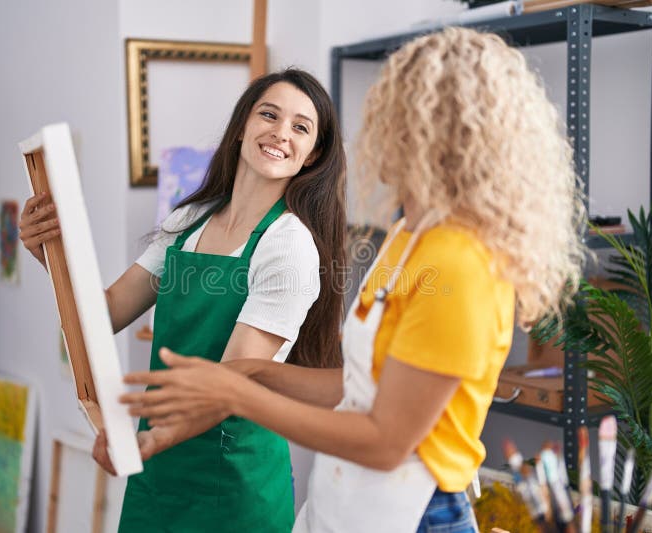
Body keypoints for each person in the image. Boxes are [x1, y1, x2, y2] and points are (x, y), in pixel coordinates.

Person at [120, 27, 587, 533]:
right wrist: (252, 374)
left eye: (399, 112)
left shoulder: (462, 263)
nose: (379, 126)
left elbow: (387, 442)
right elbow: (363, 388)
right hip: (352, 505)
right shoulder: (411, 236)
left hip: (416, 512)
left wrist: (238, 395)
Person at [18, 68, 347, 532]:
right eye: (268, 115)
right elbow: (106, 311)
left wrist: (149, 441)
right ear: (241, 128)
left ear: (313, 155)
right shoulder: (189, 220)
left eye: (300, 127)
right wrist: (47, 253)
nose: (280, 133)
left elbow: (230, 383)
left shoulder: (287, 245)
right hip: (159, 468)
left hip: (231, 479)